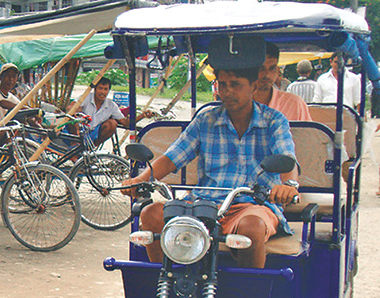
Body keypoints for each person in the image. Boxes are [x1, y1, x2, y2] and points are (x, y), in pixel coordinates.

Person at [122, 35, 299, 269]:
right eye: (222, 84)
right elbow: (173, 158)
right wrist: (140, 180)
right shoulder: (206, 119)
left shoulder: (274, 121)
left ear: (253, 86)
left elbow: (287, 160)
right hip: (203, 205)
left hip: (252, 206)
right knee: (151, 213)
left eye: (235, 85)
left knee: (252, 228)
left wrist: (289, 187)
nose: (227, 92)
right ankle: (166, 286)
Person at [77, 77, 152, 146]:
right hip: (78, 131)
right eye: (100, 88)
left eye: (105, 89)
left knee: (112, 123)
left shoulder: (111, 106)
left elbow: (126, 123)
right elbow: (71, 107)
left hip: (94, 133)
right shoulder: (85, 97)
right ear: (95, 89)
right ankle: (75, 144)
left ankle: (92, 147)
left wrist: (143, 115)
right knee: (75, 117)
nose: (102, 92)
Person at [254, 42, 311, 121]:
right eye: (261, 69)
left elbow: (307, 133)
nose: (267, 75)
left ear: (277, 71)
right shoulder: (237, 104)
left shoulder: (295, 104)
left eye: (272, 69)